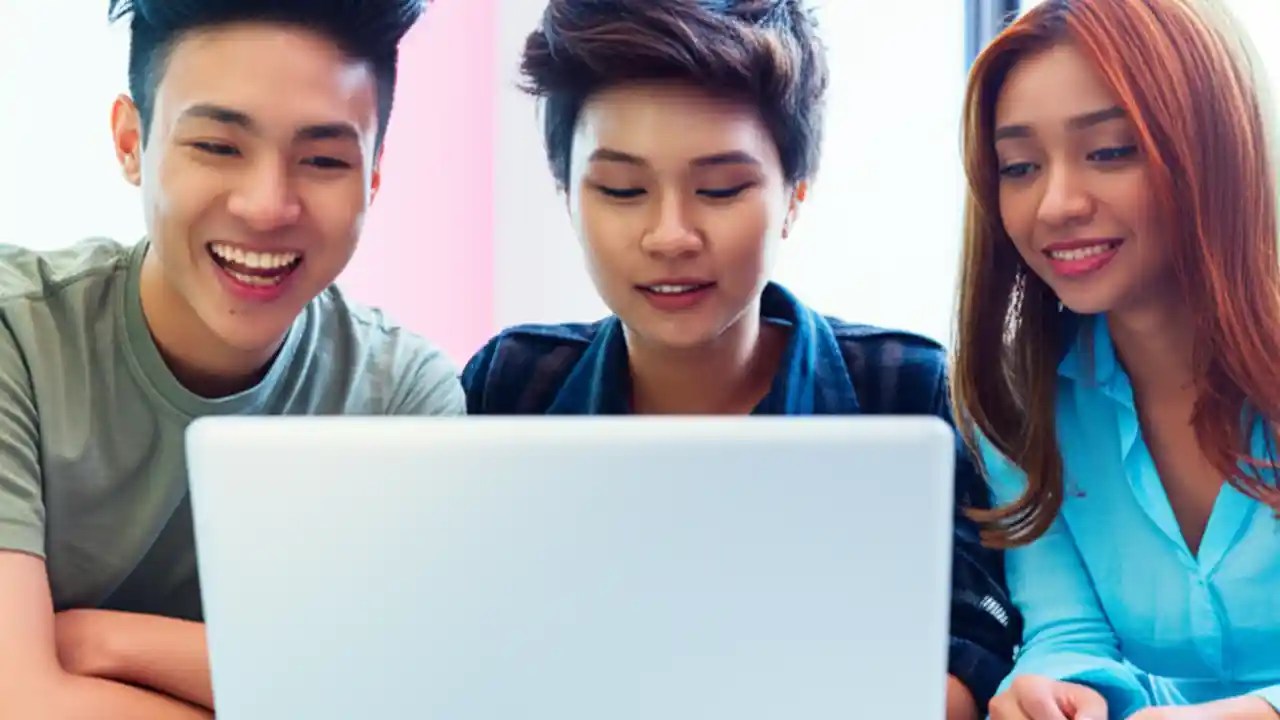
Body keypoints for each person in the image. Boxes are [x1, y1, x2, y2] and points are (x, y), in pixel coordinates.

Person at [462, 1, 1019, 717]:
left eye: (720, 189)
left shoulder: (908, 390)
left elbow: (967, 659)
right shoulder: (510, 387)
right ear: (567, 195)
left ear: (794, 196)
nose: (670, 236)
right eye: (622, 190)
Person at [0, 0, 464, 716]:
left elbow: (410, 697)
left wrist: (99, 643)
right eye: (218, 147)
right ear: (131, 142)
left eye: (322, 160)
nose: (266, 205)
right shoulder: (18, 338)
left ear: (373, 178)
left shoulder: (404, 398)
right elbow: (18, 695)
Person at [951, 0, 1280, 718]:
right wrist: (1054, 691)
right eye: (1020, 166)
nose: (1055, 204)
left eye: (1109, 151)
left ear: (1217, 149)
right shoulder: (1018, 401)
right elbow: (1067, 631)